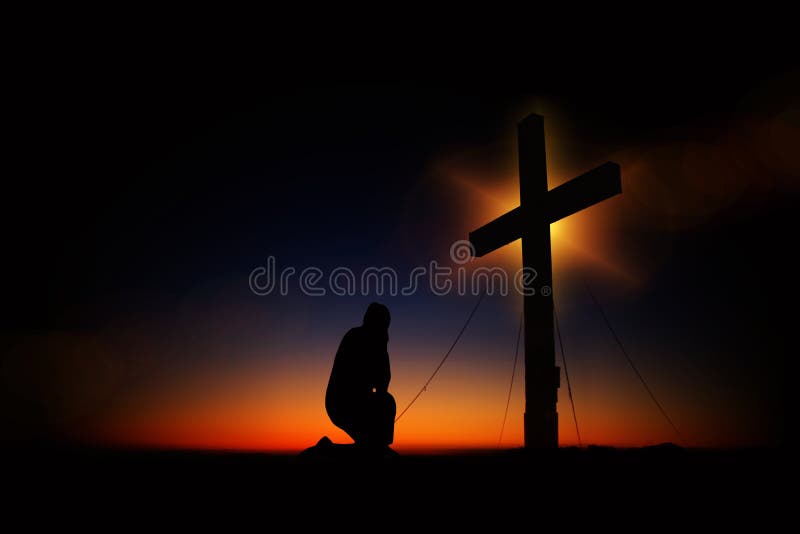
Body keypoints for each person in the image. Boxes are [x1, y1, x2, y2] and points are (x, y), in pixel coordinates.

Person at [326, 302, 396, 448]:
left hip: (347, 403)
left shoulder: (362, 339)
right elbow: (382, 388)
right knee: (387, 403)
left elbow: (382, 383)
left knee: (385, 405)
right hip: (342, 403)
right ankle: (377, 448)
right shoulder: (356, 337)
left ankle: (374, 446)